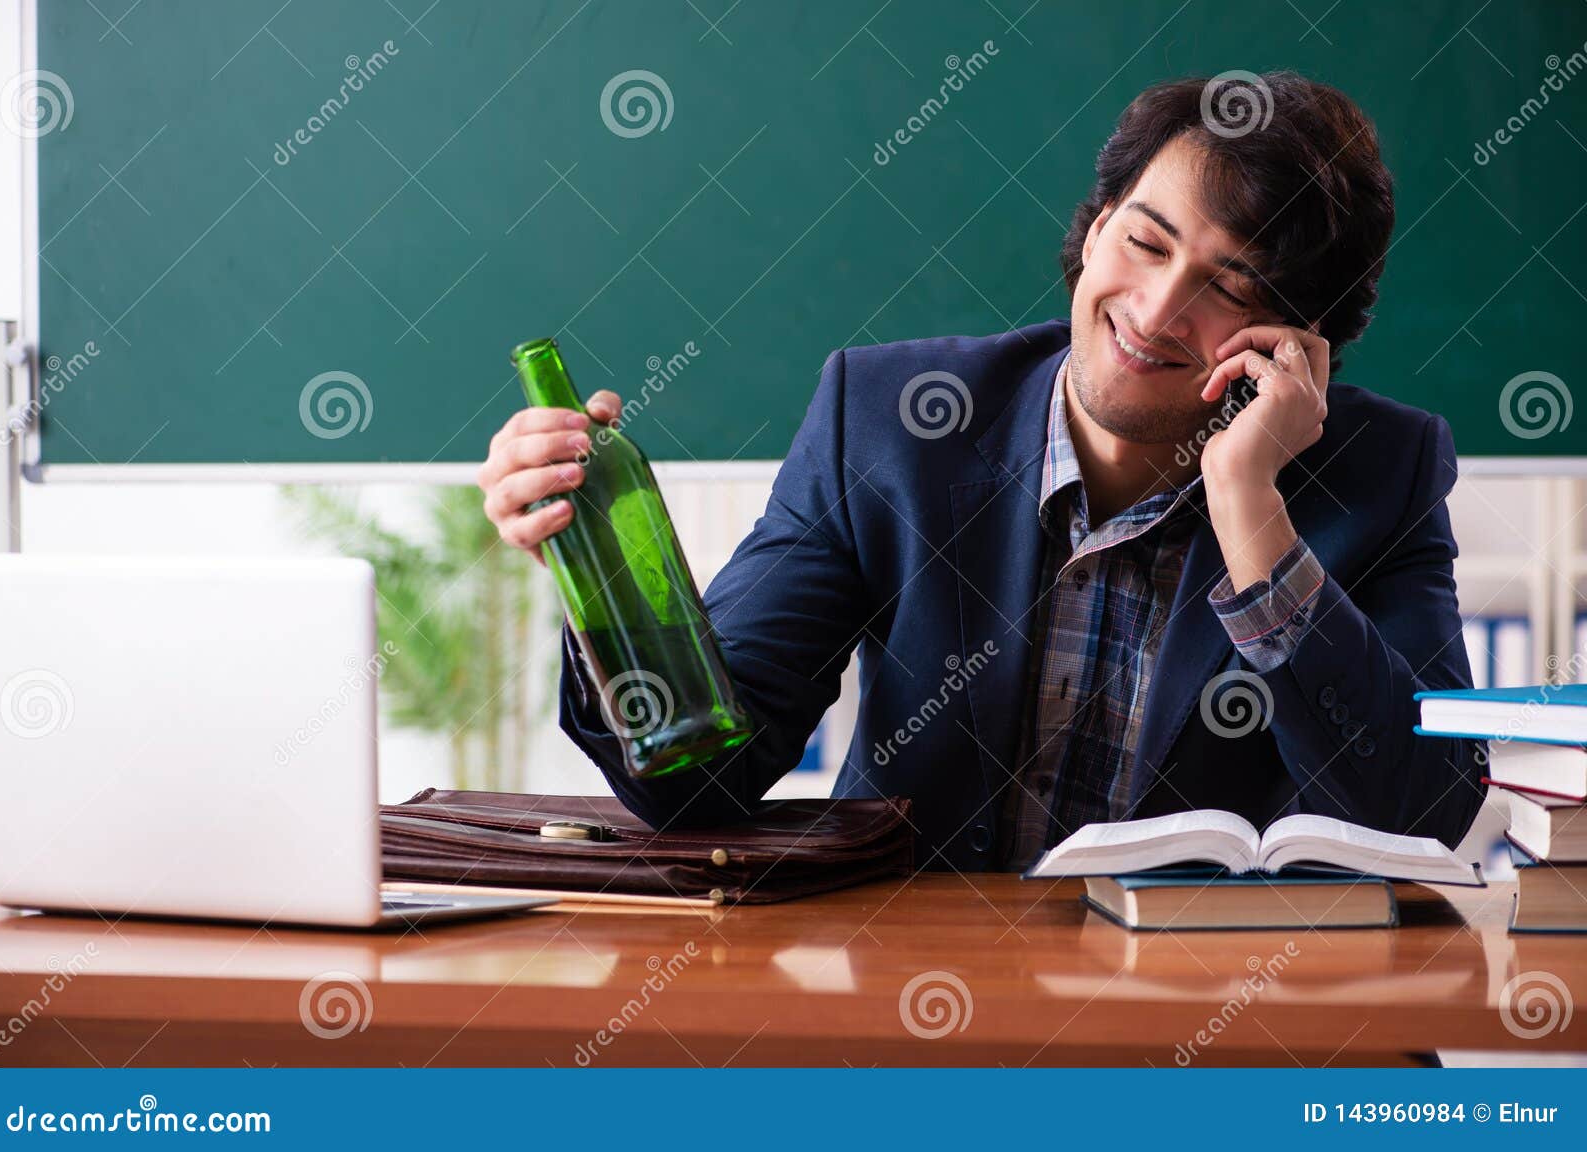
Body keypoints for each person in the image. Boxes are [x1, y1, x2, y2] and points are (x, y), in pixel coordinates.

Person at [477, 71, 1485, 871]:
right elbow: (697, 786)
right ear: (1095, 230)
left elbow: (1429, 815)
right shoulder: (885, 423)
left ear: (1297, 346)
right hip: (928, 1027)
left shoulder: (1382, 474)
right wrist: (598, 587)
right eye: (1144, 241)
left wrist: (1249, 509)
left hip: (1225, 1040)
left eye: (1227, 288)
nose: (1158, 309)